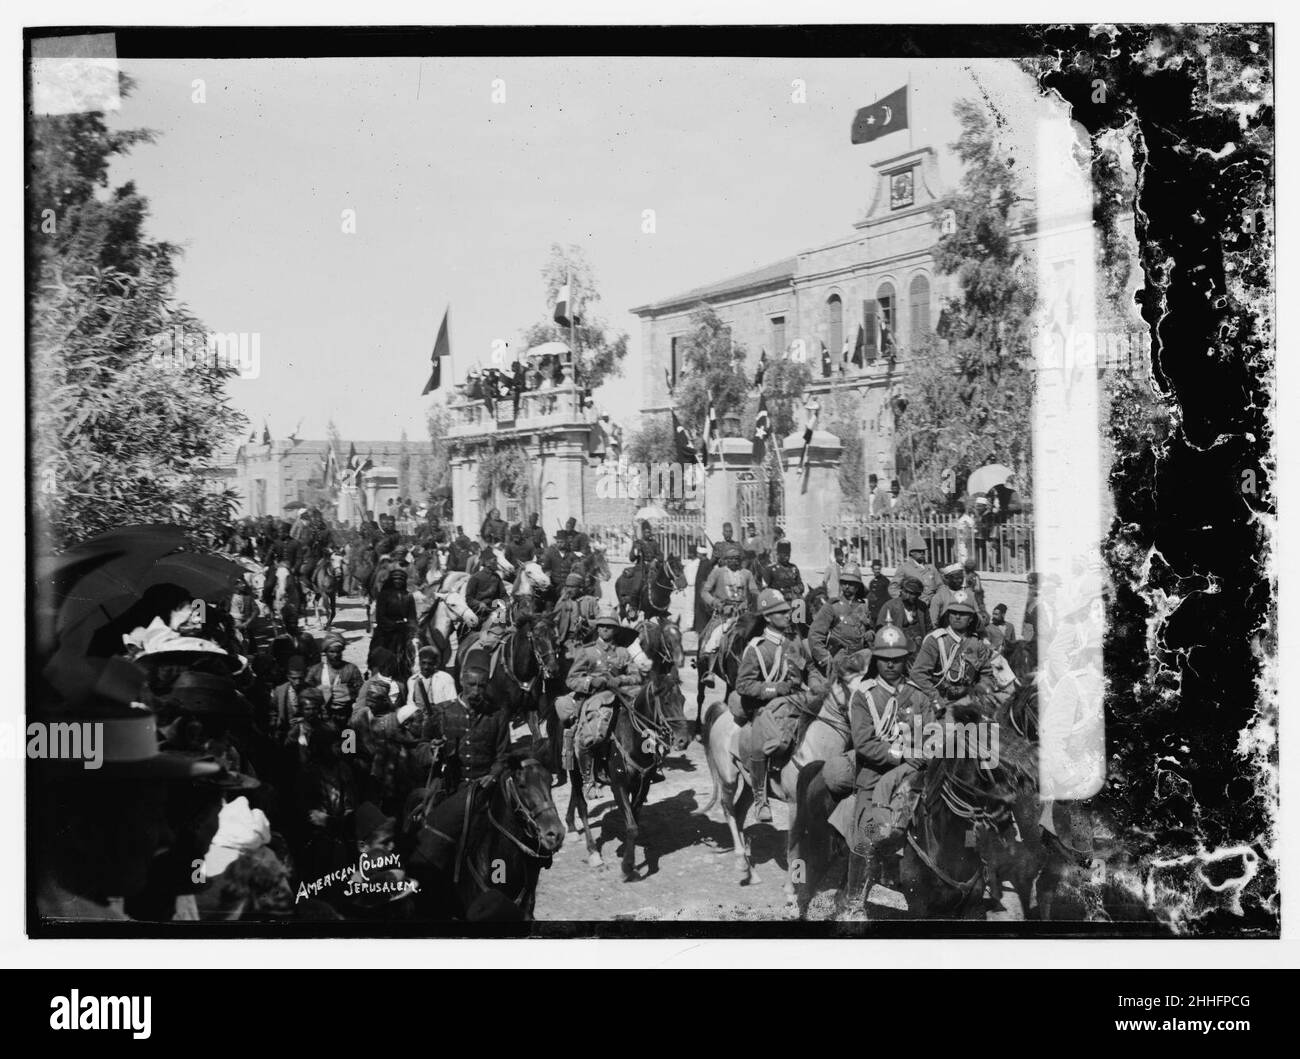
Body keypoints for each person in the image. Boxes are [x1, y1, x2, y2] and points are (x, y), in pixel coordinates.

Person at [843, 623, 932, 911]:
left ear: (906, 659)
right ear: (876, 660)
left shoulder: (917, 695)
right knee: (867, 836)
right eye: (884, 658)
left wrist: (922, 753)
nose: (891, 664)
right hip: (874, 777)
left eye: (897, 658)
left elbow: (930, 736)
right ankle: (854, 901)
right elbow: (865, 743)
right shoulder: (865, 695)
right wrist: (905, 754)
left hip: (915, 776)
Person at [734, 589, 809, 822]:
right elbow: (743, 685)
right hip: (761, 707)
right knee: (762, 739)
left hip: (790, 704)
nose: (788, 615)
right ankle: (760, 799)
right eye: (781, 612)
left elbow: (803, 673)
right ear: (767, 617)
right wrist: (775, 689)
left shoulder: (790, 644)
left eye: (788, 611)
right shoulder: (757, 648)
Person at [566, 607, 640, 796]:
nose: (605, 629)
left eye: (610, 626)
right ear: (597, 629)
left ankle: (647, 767)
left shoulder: (623, 653)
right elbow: (572, 679)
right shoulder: (587, 652)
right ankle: (588, 780)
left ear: (616, 629)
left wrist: (621, 680)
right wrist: (592, 681)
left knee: (645, 723)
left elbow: (636, 676)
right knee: (591, 736)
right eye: (602, 626)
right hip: (596, 699)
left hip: (623, 696)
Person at [909, 592, 996, 704]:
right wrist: (935, 698)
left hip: (968, 701)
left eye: (963, 613)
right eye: (954, 612)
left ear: (971, 618)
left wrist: (981, 690)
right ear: (948, 615)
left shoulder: (977, 643)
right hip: (939, 700)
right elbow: (918, 674)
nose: (957, 617)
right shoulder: (936, 640)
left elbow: (987, 674)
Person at [809, 560, 875, 674]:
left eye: (851, 583)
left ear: (858, 586)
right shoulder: (832, 606)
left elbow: (870, 629)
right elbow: (815, 634)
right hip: (839, 661)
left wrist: (870, 633)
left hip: (860, 661)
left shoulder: (863, 606)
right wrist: (825, 659)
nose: (847, 586)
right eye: (844, 583)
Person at [699, 543, 760, 656]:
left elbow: (755, 592)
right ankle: (710, 669)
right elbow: (704, 592)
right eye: (731, 559)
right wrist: (717, 603)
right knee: (713, 641)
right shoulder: (717, 572)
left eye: (737, 558)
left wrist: (748, 602)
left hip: (744, 615)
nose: (734, 561)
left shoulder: (747, 573)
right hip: (723, 615)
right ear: (726, 560)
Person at [371, 568, 420, 682]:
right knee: (379, 650)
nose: (398, 581)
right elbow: (380, 616)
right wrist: (394, 625)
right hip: (386, 629)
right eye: (396, 579)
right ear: (391, 580)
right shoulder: (383, 595)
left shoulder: (408, 596)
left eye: (401, 579)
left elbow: (412, 616)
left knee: (413, 650)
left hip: (403, 629)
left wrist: (412, 628)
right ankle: (376, 672)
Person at [308, 632, 364, 715]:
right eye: (332, 652)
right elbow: (306, 692)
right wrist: (319, 691)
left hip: (346, 714)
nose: (336, 655)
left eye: (338, 652)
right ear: (325, 652)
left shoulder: (351, 669)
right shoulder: (315, 671)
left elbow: (362, 692)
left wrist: (349, 692)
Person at [876, 576, 930, 650]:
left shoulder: (922, 606)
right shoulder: (890, 606)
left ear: (918, 595)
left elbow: (929, 627)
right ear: (901, 590)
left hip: (918, 648)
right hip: (896, 648)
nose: (907, 596)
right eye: (906, 592)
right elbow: (880, 628)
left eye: (912, 593)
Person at [894, 533, 942, 606]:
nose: (922, 553)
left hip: (932, 605)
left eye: (923, 551)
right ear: (912, 552)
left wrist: (937, 598)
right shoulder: (904, 568)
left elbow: (940, 586)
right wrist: (905, 599)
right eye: (919, 551)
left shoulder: (931, 568)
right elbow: (893, 588)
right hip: (913, 606)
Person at [765, 539, 805, 621]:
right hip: (777, 601)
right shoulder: (771, 569)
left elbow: (801, 585)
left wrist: (798, 588)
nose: (787, 557)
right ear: (778, 555)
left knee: (802, 609)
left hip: (794, 601)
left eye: (788, 554)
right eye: (784, 554)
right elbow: (765, 590)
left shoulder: (793, 568)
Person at [408, 643, 457, 709]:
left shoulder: (445, 678)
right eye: (423, 663)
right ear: (419, 662)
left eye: (430, 664)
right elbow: (410, 705)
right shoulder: (412, 680)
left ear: (435, 663)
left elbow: (452, 703)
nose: (426, 667)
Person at [271, 655, 309, 739]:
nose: (297, 682)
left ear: (305, 676)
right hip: (285, 735)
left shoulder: (312, 690)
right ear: (288, 677)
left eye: (300, 678)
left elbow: (321, 715)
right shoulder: (279, 690)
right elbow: (273, 712)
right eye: (294, 678)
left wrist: (304, 720)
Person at [928, 562, 969, 629]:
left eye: (961, 577)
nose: (960, 580)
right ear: (947, 578)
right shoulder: (939, 597)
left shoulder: (967, 594)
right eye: (956, 578)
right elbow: (933, 621)